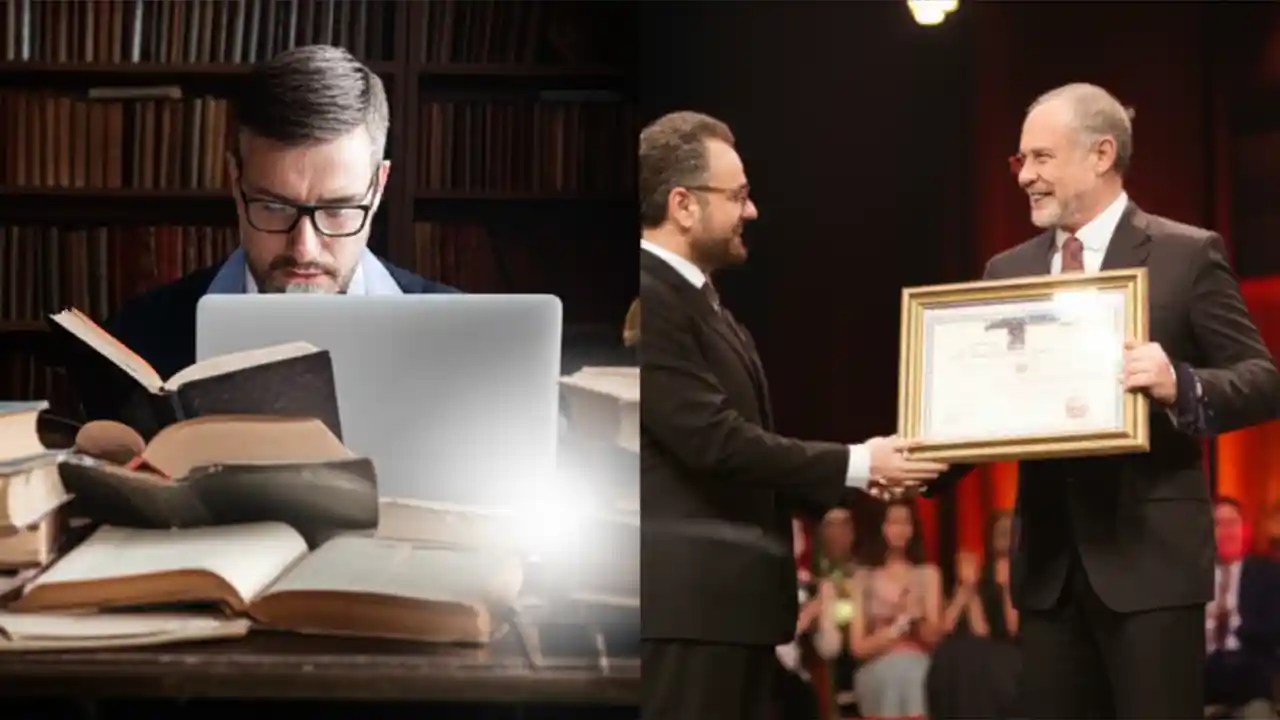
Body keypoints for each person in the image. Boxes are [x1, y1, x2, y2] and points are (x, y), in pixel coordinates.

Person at [923, 83, 1280, 718]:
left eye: (1041, 158)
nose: (1025, 176)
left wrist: (1182, 383)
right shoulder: (1006, 271)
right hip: (1049, 573)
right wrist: (923, 460)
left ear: (1101, 154)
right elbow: (982, 407)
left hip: (1151, 565)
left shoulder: (1185, 254)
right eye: (1019, 161)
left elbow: (1261, 378)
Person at [638, 110, 948, 720]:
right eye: (739, 195)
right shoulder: (652, 298)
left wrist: (864, 477)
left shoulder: (706, 306)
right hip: (693, 615)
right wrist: (859, 464)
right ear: (683, 204)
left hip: (732, 613)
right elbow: (715, 442)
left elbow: (750, 455)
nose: (751, 212)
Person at [69, 44, 456, 422]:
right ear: (236, 183)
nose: (304, 249)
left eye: (337, 209)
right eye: (274, 207)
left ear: (379, 187)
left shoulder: (459, 337)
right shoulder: (136, 340)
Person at [846, 499, 942, 719]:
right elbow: (857, 648)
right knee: (894, 672)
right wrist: (898, 627)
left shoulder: (928, 574)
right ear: (880, 527)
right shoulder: (863, 578)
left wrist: (915, 618)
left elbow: (935, 638)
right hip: (877, 665)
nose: (900, 530)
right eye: (893, 522)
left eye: (906, 523)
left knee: (913, 672)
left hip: (918, 663)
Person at [1205, 497, 1280, 717]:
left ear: (1243, 528)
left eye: (1233, 523)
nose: (1227, 531)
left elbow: (1273, 632)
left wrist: (1237, 625)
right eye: (1218, 524)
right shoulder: (1195, 579)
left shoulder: (1268, 574)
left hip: (1250, 683)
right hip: (1203, 682)